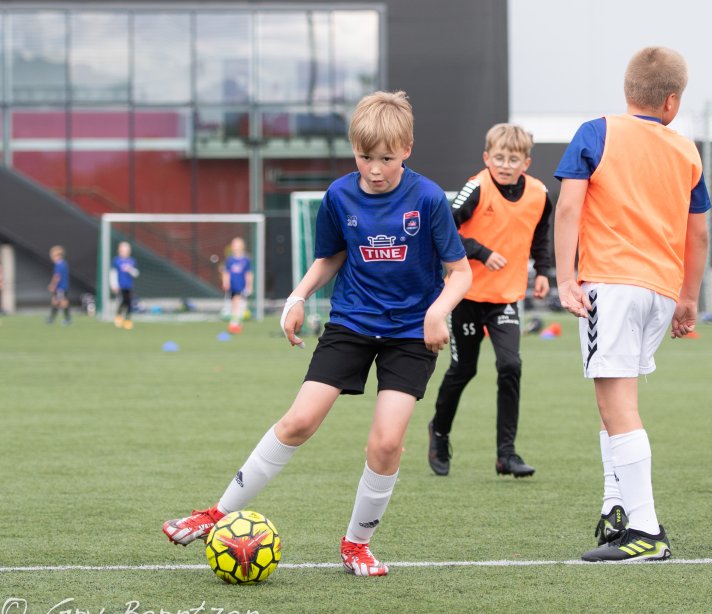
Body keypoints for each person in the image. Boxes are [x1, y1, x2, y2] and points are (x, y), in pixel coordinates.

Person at [162, 90, 471, 578]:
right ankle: (215, 514)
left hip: (411, 332)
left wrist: (439, 313)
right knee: (299, 422)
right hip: (352, 321)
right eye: (365, 157)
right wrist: (297, 297)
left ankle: (356, 545)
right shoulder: (339, 196)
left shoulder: (429, 198)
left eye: (386, 159)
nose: (374, 169)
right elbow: (331, 256)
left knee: (386, 443)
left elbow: (461, 272)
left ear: (407, 148)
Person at [553, 46, 710, 562]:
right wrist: (689, 298)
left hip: (611, 285)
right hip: (661, 291)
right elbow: (700, 234)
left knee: (616, 405)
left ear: (627, 92)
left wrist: (565, 277)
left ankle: (646, 532)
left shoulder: (596, 132)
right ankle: (616, 506)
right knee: (616, 402)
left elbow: (569, 207)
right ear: (671, 101)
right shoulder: (687, 151)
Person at [427, 123, 553, 478]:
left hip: (506, 298)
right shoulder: (476, 188)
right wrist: (480, 251)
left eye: (514, 159)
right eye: (499, 157)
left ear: (526, 162)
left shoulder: (540, 194)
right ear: (487, 158)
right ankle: (438, 433)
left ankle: (506, 454)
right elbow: (444, 230)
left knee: (510, 366)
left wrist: (543, 271)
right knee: (463, 369)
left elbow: (541, 234)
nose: (506, 164)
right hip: (465, 295)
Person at [222, 237, 254, 334]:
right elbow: (226, 273)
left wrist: (249, 286)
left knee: (240, 303)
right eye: (234, 245)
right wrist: (225, 282)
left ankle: (235, 323)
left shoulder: (246, 260)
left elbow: (248, 274)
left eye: (238, 245)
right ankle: (234, 322)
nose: (236, 247)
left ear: (242, 247)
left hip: (241, 286)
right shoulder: (230, 260)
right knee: (234, 304)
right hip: (232, 286)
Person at [111, 241, 139, 329]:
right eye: (122, 250)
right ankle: (119, 316)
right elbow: (113, 273)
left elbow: (136, 273)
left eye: (126, 250)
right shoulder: (116, 260)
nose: (124, 252)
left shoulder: (132, 261)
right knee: (122, 301)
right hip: (120, 286)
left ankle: (128, 320)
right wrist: (114, 284)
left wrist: (130, 269)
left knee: (129, 303)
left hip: (129, 285)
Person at [47, 245, 71, 325]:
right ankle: (51, 318)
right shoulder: (63, 264)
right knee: (55, 301)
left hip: (61, 287)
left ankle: (67, 319)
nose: (52, 257)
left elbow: (57, 277)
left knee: (62, 302)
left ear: (58, 255)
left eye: (53, 255)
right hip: (62, 287)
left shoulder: (60, 265)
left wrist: (52, 285)